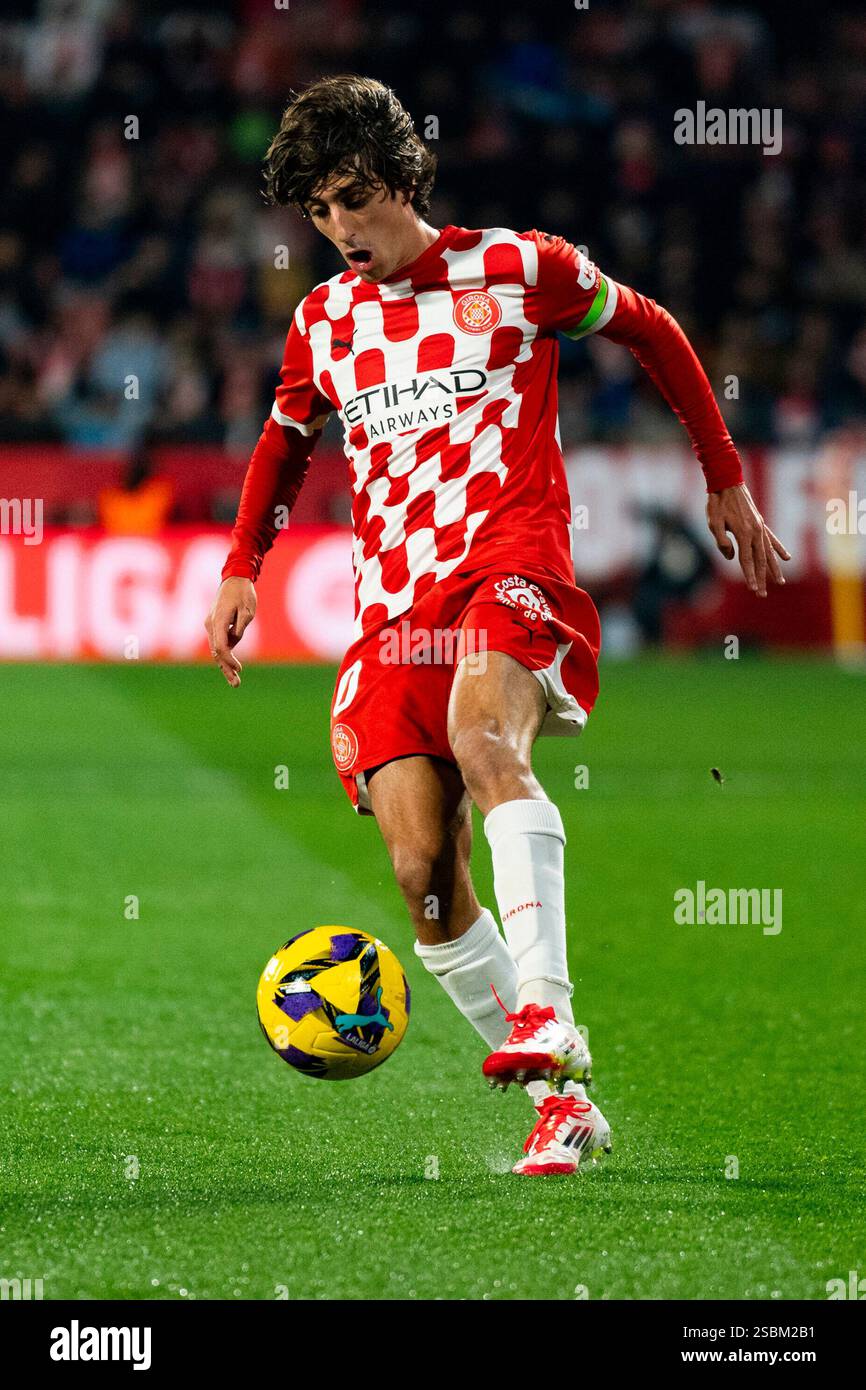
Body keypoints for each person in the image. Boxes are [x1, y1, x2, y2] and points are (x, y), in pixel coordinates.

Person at [205, 76, 789, 1176]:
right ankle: (561, 1103)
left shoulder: (521, 269)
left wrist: (722, 474)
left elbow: (651, 329)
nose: (340, 230)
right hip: (391, 607)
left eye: (354, 199)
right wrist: (243, 565)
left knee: (486, 739)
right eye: (319, 212)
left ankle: (547, 1012)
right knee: (422, 867)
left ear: (403, 176)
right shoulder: (322, 321)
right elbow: (285, 439)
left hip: (507, 565)